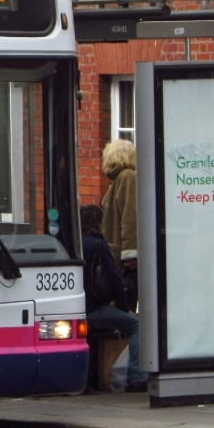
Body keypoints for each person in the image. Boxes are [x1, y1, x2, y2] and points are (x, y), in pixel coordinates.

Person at [81, 203, 147, 393]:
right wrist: (125, 307)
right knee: (137, 326)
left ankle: (89, 378)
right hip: (95, 309)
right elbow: (115, 280)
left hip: (77, 308)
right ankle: (137, 378)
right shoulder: (98, 245)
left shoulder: (73, 244)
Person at [101, 138, 138, 309]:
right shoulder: (119, 179)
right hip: (116, 253)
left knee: (124, 305)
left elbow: (130, 216)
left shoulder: (127, 177)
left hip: (122, 257)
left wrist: (131, 254)